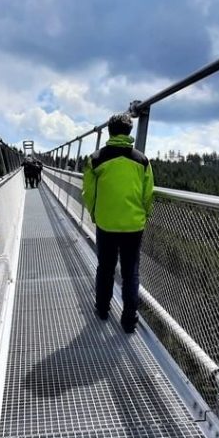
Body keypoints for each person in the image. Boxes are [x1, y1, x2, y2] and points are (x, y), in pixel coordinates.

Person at [81, 112, 154, 334]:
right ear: (130, 131)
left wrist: (94, 214)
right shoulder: (142, 160)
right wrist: (144, 215)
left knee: (106, 268)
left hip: (106, 224)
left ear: (110, 131)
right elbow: (147, 194)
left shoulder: (95, 159)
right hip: (134, 225)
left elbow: (89, 193)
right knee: (131, 272)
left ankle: (102, 310)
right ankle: (129, 320)